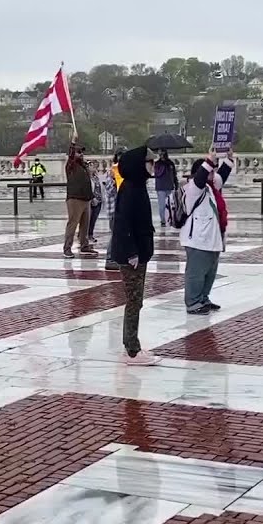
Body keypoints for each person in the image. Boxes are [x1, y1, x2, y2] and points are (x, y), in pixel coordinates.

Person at [109, 146, 157, 365]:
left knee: (136, 301)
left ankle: (132, 344)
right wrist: (131, 252)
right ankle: (132, 349)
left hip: (140, 251)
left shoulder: (138, 186)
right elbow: (122, 223)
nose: (152, 166)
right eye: (149, 162)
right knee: (134, 300)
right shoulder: (129, 189)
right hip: (133, 255)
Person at [181, 152, 232, 315]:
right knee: (196, 272)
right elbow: (201, 176)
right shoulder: (193, 188)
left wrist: (228, 159)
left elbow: (222, 175)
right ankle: (193, 302)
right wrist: (210, 160)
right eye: (210, 171)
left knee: (209, 272)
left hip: (212, 239)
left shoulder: (211, 187)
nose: (213, 175)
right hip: (197, 239)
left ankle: (203, 297)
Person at [63, 143, 98, 258]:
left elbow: (88, 182)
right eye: (78, 152)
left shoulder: (83, 166)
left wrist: (91, 197)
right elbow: (71, 153)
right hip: (75, 198)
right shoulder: (70, 165)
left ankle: (84, 245)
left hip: (86, 198)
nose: (81, 154)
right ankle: (67, 248)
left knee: (85, 224)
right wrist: (73, 142)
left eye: (82, 152)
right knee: (73, 223)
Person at [99, 160, 120, 270]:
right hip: (114, 210)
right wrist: (114, 179)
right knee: (115, 234)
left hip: (122, 210)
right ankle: (110, 259)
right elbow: (110, 190)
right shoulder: (111, 172)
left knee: (120, 234)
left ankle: (117, 258)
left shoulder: (124, 172)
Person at [153, 149, 177, 227]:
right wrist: (163, 165)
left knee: (170, 205)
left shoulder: (170, 163)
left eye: (162, 153)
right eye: (160, 153)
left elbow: (174, 175)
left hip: (169, 187)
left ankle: (169, 218)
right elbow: (158, 174)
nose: (161, 155)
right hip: (160, 187)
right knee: (162, 206)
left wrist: (176, 184)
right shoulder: (157, 164)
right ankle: (163, 220)